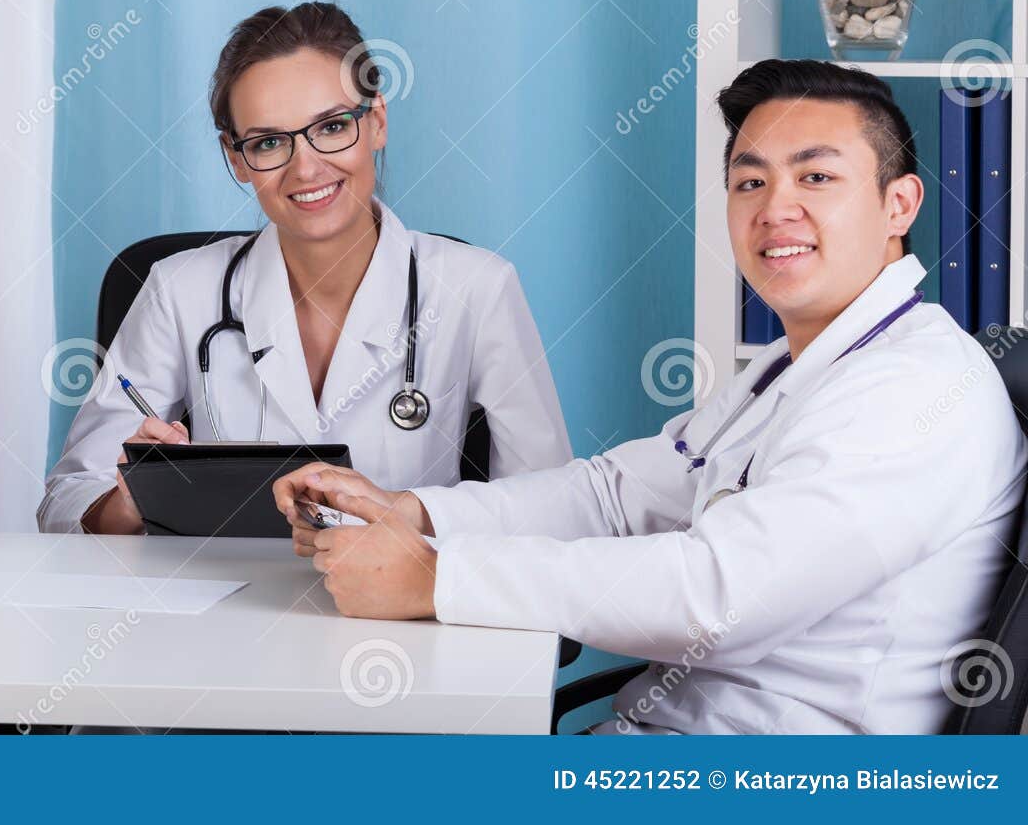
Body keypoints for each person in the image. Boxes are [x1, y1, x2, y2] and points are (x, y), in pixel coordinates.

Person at [275, 58, 1027, 734]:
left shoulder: (915, 387)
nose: (774, 208)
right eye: (750, 180)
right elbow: (615, 495)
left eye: (817, 176)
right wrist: (413, 511)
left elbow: (715, 595)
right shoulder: (795, 364)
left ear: (900, 204)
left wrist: (438, 576)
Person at [39, 2, 570, 535]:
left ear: (377, 121)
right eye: (269, 142)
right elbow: (66, 500)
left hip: (406, 611)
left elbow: (553, 508)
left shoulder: (476, 289)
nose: (307, 166)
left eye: (333, 127)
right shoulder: (179, 289)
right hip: (228, 609)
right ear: (236, 158)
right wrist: (132, 500)